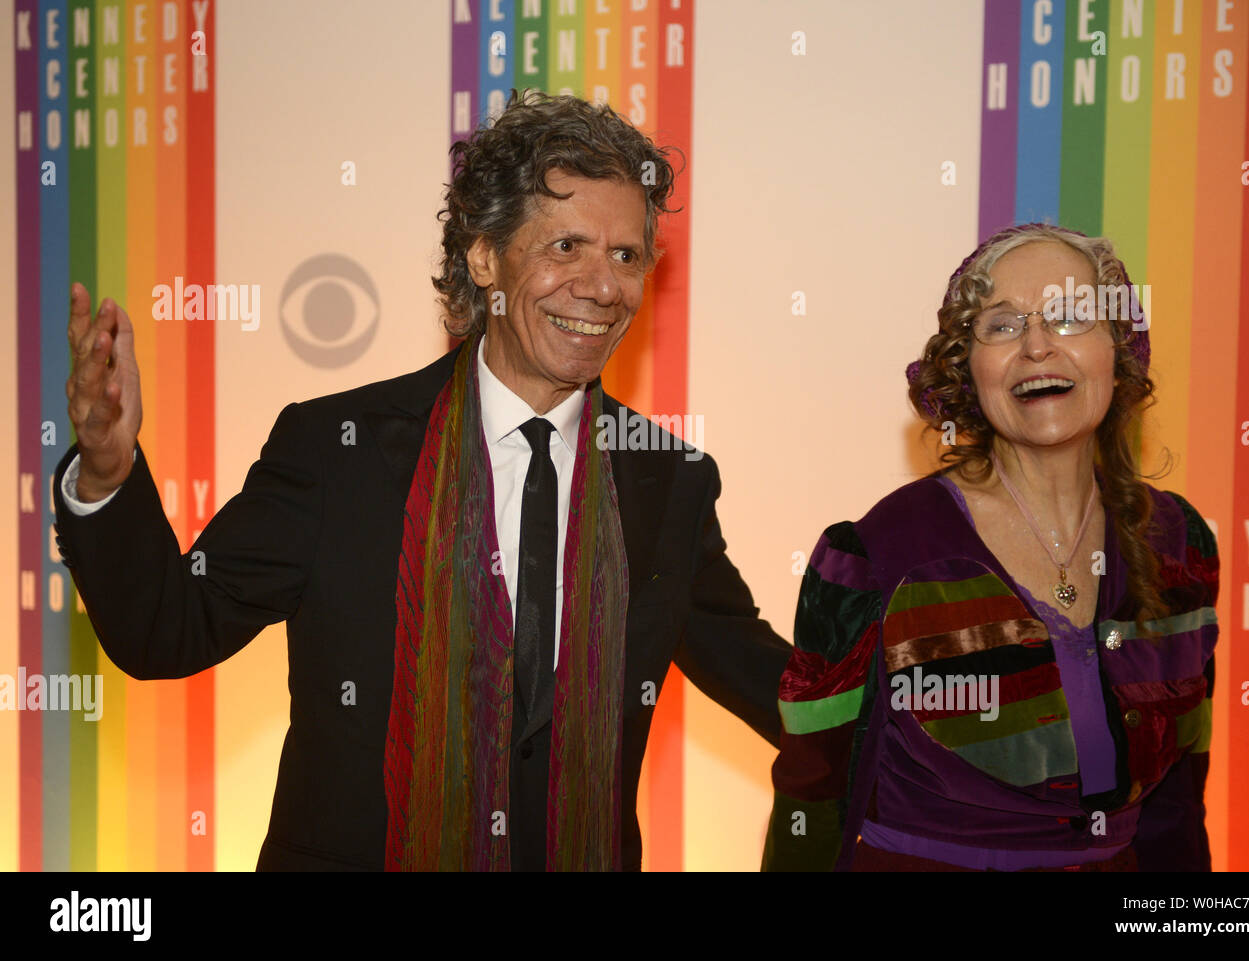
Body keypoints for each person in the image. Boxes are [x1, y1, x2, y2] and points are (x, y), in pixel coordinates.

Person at [56, 89, 792, 871]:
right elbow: (164, 630)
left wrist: (919, 686)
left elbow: (774, 685)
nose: (604, 286)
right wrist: (107, 471)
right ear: (485, 258)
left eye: (626, 255)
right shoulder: (338, 451)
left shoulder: (665, 482)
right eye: (566, 247)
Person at [762, 223, 1217, 872]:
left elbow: (1175, 813)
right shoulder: (875, 557)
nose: (1036, 346)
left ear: (1118, 351)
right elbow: (811, 809)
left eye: (1067, 317)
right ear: (965, 370)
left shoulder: (1180, 545)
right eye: (1002, 326)